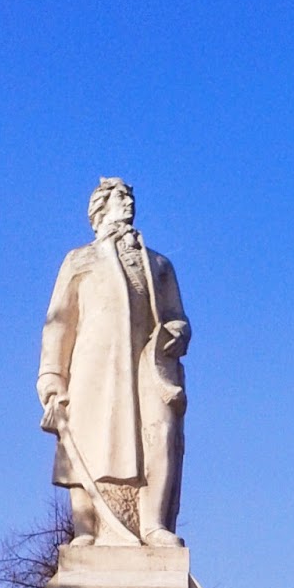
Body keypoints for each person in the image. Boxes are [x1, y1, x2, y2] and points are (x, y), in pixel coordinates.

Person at [38, 178, 190, 546]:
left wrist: (178, 332)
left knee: (160, 433)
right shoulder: (79, 260)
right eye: (121, 196)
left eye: (131, 196)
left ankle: (153, 524)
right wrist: (52, 375)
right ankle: (87, 530)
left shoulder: (159, 263)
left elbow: (177, 317)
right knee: (87, 436)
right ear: (100, 206)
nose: (129, 202)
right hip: (94, 367)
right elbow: (60, 323)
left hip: (149, 365)